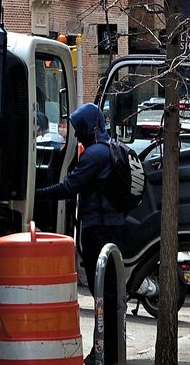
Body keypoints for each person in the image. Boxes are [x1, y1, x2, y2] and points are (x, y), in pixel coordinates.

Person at [34, 104, 126, 365]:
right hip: (113, 227)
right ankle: (109, 350)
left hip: (99, 228)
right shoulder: (109, 148)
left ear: (88, 127)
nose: (77, 133)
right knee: (109, 292)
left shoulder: (95, 154)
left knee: (103, 293)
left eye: (79, 127)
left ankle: (103, 352)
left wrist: (36, 194)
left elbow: (70, 186)